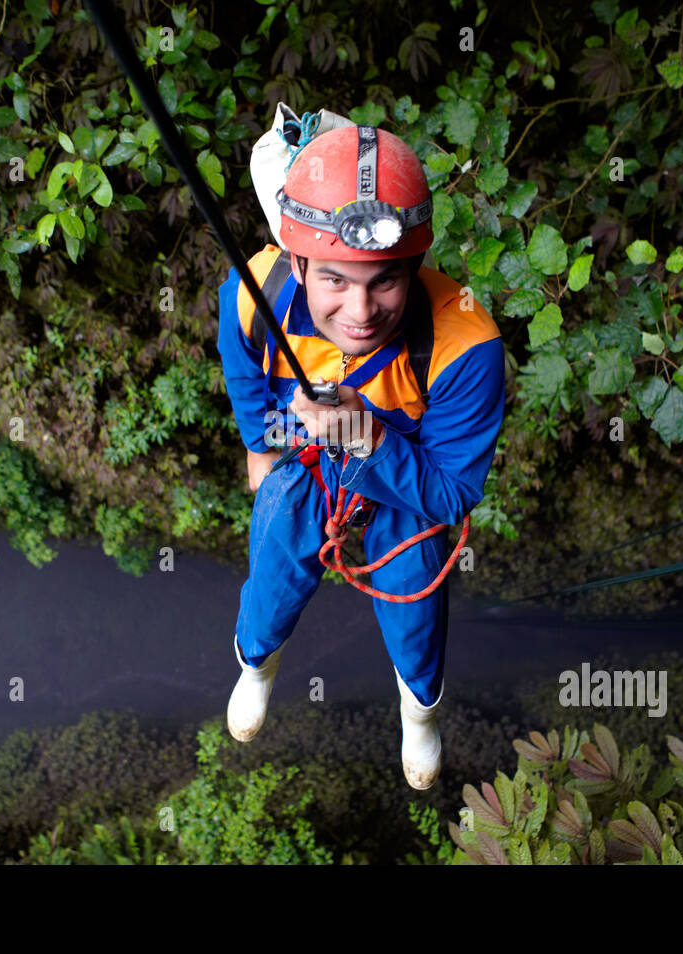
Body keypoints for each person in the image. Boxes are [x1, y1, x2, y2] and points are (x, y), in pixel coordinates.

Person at [215, 123, 506, 789]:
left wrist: (366, 436)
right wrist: (259, 445)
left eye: (385, 282)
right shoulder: (253, 294)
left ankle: (420, 709)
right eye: (335, 281)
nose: (360, 310)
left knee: (414, 599)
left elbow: (452, 492)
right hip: (309, 461)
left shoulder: (466, 344)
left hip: (407, 484)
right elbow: (242, 367)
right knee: (273, 554)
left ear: (414, 268)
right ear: (297, 261)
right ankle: (257, 664)